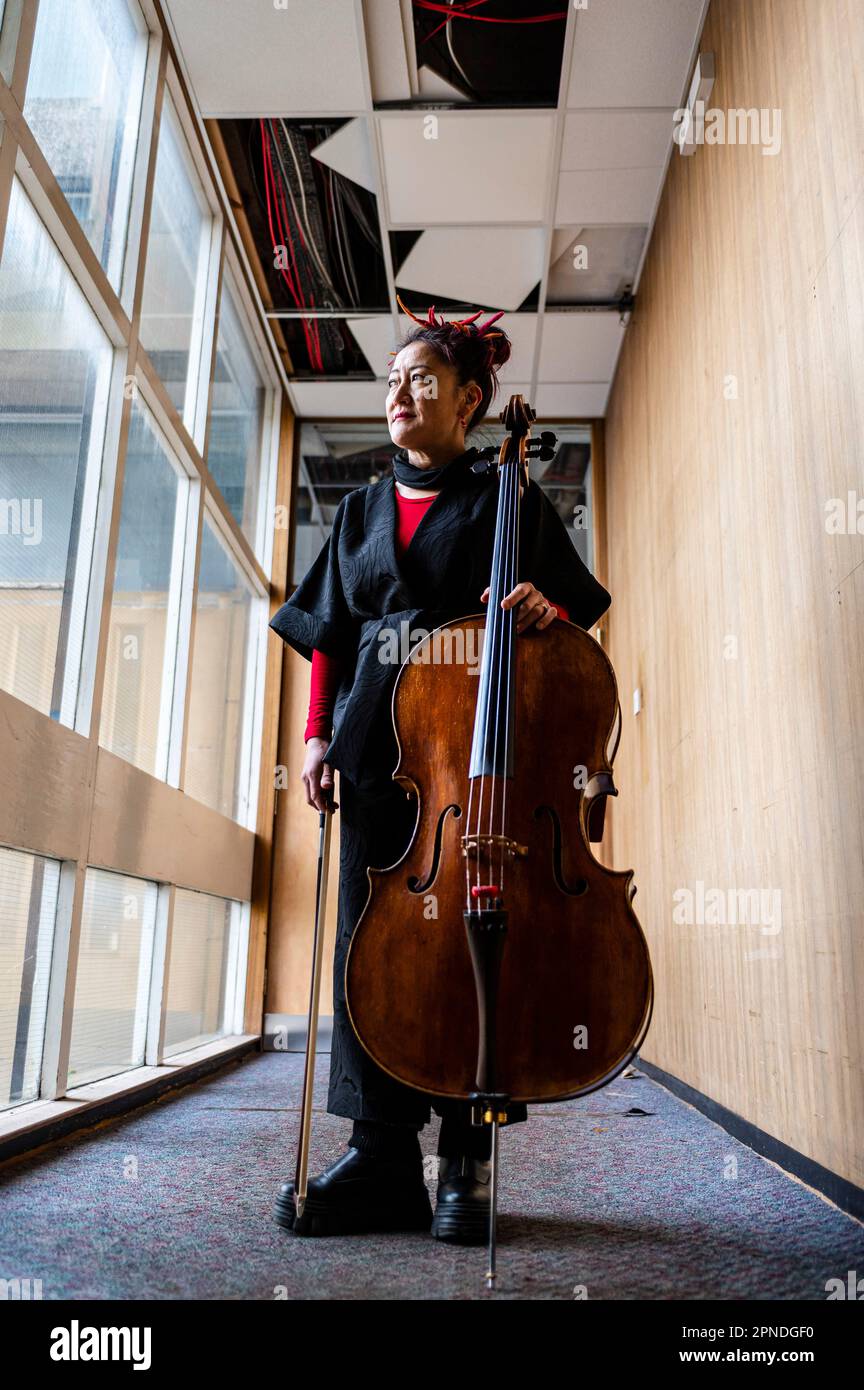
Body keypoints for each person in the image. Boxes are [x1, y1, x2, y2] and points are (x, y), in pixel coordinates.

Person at [270, 298, 611, 1242]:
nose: (399, 393)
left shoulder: (510, 500)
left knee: (471, 941)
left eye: (421, 379)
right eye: (391, 380)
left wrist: (543, 609)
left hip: (473, 763)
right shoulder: (359, 510)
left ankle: (467, 1151)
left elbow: (572, 622)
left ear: (469, 402)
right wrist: (314, 734)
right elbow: (331, 635)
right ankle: (382, 1157)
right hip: (373, 747)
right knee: (367, 938)